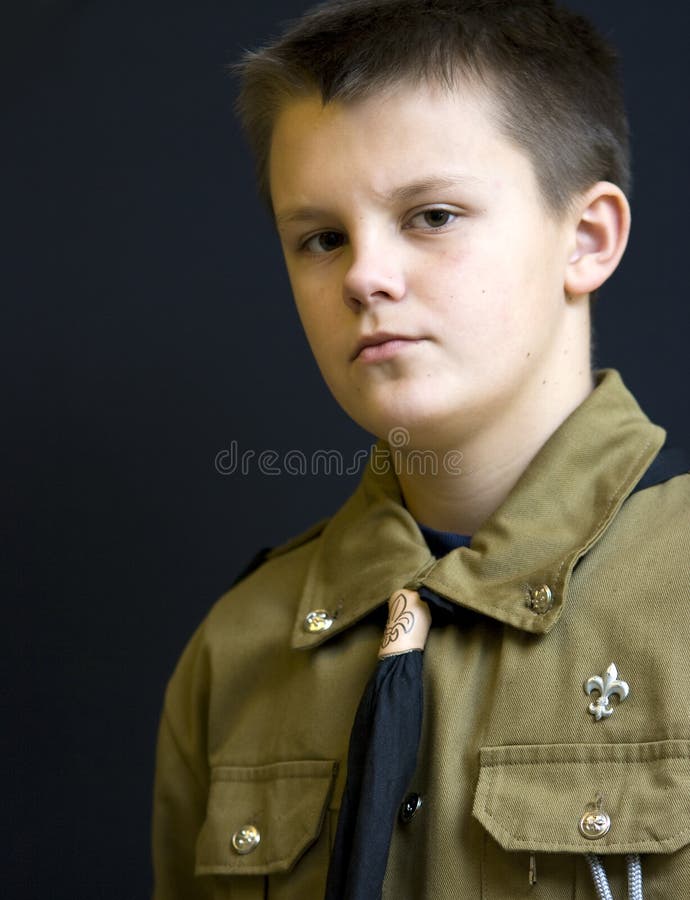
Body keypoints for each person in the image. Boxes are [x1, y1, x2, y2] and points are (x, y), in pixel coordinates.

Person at [152, 1, 690, 897]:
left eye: (432, 215)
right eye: (321, 238)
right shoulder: (238, 651)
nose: (364, 276)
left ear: (587, 239)